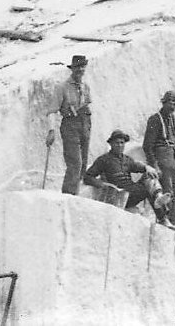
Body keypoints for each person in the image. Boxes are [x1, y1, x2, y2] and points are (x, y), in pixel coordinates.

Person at [142, 91, 175, 229]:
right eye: (171, 102)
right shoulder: (155, 120)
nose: (173, 105)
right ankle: (167, 224)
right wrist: (154, 165)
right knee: (168, 194)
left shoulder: (171, 118)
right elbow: (147, 146)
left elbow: (170, 140)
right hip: (162, 161)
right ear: (164, 102)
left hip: (173, 160)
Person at [84, 131, 159, 214]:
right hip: (117, 195)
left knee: (149, 176)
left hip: (131, 193)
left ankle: (160, 207)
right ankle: (160, 208)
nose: (120, 145)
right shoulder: (103, 159)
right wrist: (102, 184)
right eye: (117, 143)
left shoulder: (127, 159)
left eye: (122, 143)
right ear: (111, 144)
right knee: (147, 190)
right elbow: (87, 177)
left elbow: (137, 166)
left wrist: (147, 167)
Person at [56, 53, 93, 195]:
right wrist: (51, 131)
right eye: (77, 67)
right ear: (72, 69)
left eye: (83, 67)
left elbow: (87, 103)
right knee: (75, 163)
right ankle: (68, 195)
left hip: (85, 123)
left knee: (83, 162)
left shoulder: (86, 86)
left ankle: (76, 194)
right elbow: (53, 109)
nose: (80, 70)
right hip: (70, 125)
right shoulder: (63, 87)